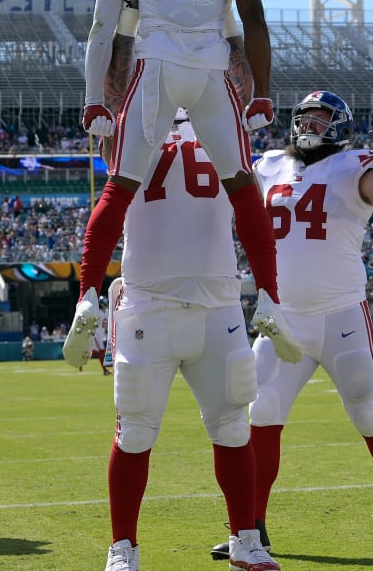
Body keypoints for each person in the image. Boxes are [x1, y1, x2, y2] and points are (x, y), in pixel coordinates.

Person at [75, 0, 283, 346]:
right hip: (211, 71)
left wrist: (92, 100)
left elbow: (102, 28)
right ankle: (271, 298)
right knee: (243, 188)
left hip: (156, 66)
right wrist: (265, 91)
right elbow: (251, 17)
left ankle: (87, 294)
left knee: (118, 189)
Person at [66, 110, 281, 571]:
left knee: (232, 426)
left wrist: (87, 289)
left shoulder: (154, 118)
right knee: (136, 430)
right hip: (153, 301)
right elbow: (252, 214)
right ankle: (122, 546)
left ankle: (244, 539)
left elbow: (250, 209)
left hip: (213, 300)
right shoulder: (181, 118)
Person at [211, 90, 373, 560]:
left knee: (366, 413)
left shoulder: (353, 163)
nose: (310, 125)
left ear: (340, 124)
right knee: (260, 413)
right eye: (304, 117)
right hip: (282, 315)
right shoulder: (268, 166)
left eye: (321, 118)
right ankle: (252, 527)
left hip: (341, 311)